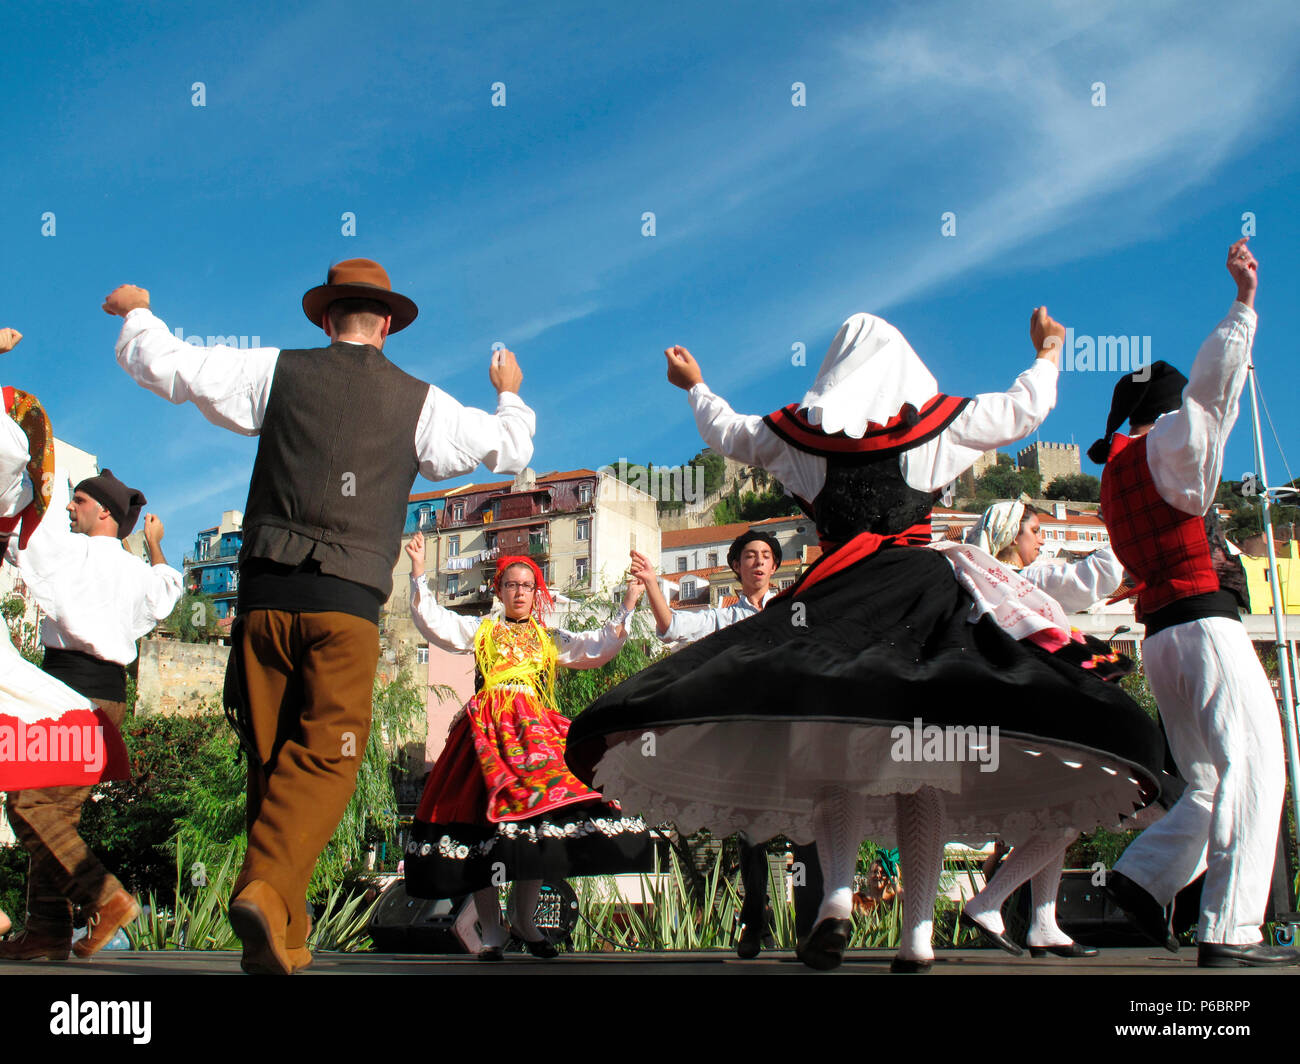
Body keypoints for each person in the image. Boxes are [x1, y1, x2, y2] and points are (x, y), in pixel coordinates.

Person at [566, 310, 1164, 972]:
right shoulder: (938, 425)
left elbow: (726, 431)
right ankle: (917, 938)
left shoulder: (797, 438)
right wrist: (1049, 351)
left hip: (836, 600)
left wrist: (695, 385)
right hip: (920, 602)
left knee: (837, 751)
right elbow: (1025, 410)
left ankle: (836, 900)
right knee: (924, 766)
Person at [103, 258, 535, 974]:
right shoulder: (421, 403)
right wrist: (509, 393)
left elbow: (171, 366)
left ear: (326, 318)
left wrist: (137, 311)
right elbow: (509, 448)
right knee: (329, 754)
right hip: (345, 604)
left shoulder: (275, 371)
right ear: (388, 324)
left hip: (264, 598)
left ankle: (287, 929)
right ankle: (267, 890)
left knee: (272, 762)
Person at [1091, 239, 1298, 968]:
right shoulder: (1171, 443)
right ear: (1165, 407)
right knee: (1259, 765)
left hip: (1160, 638)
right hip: (1205, 627)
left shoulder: (1114, 472)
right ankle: (1230, 932)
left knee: (1208, 783)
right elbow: (1214, 392)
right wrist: (1243, 305)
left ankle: (1143, 877)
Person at [403, 535, 652, 959]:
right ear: (499, 591)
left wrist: (629, 602)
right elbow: (435, 622)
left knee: (540, 820)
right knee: (478, 828)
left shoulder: (548, 637)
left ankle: (523, 919)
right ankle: (492, 929)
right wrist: (418, 570)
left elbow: (596, 647)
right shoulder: (482, 630)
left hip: (533, 734)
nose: (519, 592)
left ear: (537, 593)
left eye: (527, 586)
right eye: (511, 585)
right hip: (484, 736)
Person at [2, 467, 182, 961]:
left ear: (103, 511)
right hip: (109, 700)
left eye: (78, 500)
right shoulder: (138, 571)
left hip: (64, 696)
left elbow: (16, 535)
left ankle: (104, 898)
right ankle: (47, 933)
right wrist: (155, 544)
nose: (68, 507)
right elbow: (169, 587)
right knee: (56, 817)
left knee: (30, 806)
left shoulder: (71, 551)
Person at [630, 532, 823, 957]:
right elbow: (671, 627)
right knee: (751, 827)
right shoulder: (724, 617)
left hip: (792, 728)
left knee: (805, 824)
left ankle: (809, 924)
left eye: (766, 555)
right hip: (746, 732)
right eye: (750, 556)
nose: (759, 562)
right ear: (736, 566)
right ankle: (755, 919)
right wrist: (652, 584)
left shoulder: (792, 611)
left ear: (775, 566)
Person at [954, 497, 1126, 959]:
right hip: (1041, 719)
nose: (1041, 540)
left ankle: (1045, 924)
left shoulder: (974, 584)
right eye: (1034, 531)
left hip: (1000, 718)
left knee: (1056, 813)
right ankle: (988, 903)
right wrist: (1122, 528)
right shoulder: (1032, 579)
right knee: (1070, 814)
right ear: (1012, 537)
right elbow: (1091, 579)